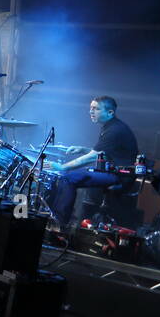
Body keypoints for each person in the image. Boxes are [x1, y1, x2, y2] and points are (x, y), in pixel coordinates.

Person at [47, 95, 139, 227]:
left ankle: (58, 223)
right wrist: (83, 149)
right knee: (68, 177)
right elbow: (106, 152)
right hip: (115, 172)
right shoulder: (110, 126)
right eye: (90, 108)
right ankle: (57, 219)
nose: (90, 111)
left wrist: (63, 167)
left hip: (120, 176)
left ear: (110, 112)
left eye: (95, 109)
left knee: (68, 178)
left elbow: (94, 156)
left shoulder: (114, 130)